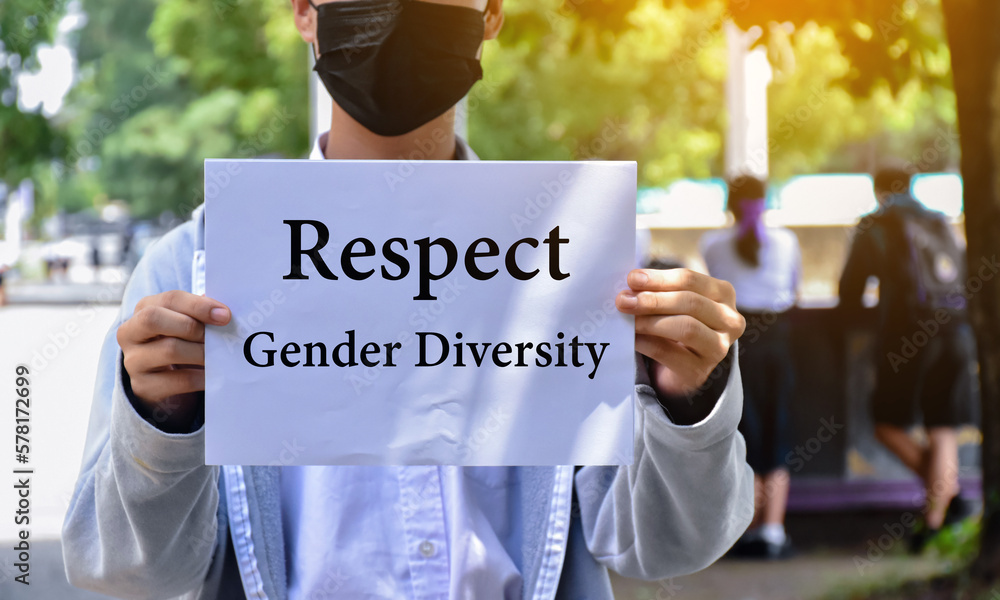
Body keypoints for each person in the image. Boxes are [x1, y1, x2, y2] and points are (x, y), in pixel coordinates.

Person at [61, 1, 753, 597]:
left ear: (490, 14)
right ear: (306, 12)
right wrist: (162, 425)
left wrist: (692, 406)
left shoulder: (580, 267)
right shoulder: (195, 271)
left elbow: (664, 549)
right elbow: (128, 572)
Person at [839, 165, 976, 551]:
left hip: (910, 337)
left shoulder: (876, 225)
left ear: (879, 190)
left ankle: (947, 499)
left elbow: (851, 289)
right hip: (957, 331)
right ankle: (939, 513)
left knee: (886, 422)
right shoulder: (937, 221)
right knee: (942, 425)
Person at [700, 175, 800, 559]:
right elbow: (795, 290)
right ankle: (773, 531)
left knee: (742, 432)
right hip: (779, 341)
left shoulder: (712, 245)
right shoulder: (787, 241)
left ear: (729, 204)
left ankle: (746, 529)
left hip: (736, 343)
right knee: (779, 429)